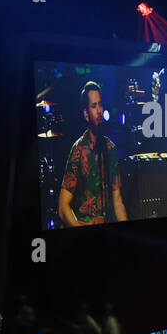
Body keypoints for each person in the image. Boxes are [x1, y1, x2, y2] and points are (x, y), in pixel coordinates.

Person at [59, 82, 129, 226]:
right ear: (86, 114)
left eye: (100, 105)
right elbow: (62, 207)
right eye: (93, 106)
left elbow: (117, 202)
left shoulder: (110, 149)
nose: (99, 111)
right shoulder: (79, 150)